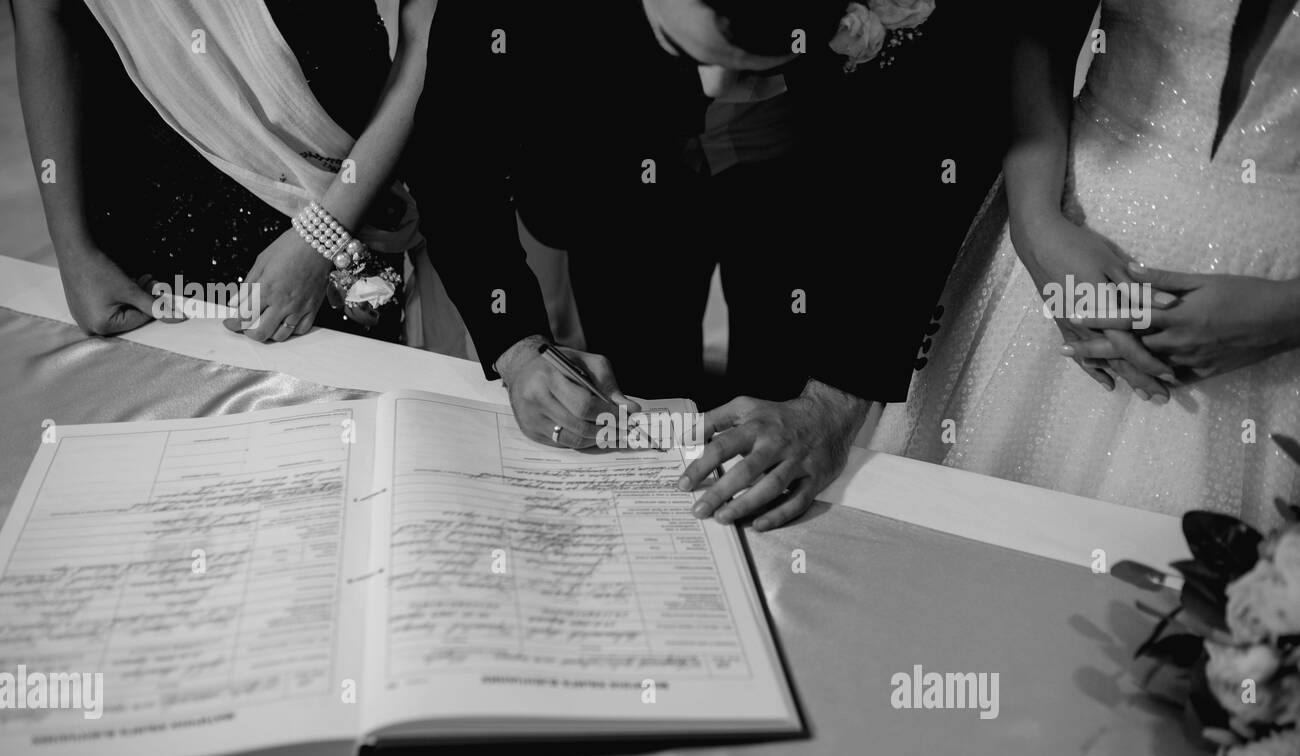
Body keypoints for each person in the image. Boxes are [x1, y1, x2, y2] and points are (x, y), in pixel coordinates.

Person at [411, 0, 1011, 529]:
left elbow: (938, 151)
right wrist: (517, 349)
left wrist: (834, 400)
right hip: (608, 167)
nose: (718, 83)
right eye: (690, 48)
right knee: (636, 345)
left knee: (787, 366)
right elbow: (454, 158)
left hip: (805, 165)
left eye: (757, 66)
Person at [874, 0, 1300, 529]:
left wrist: (1286, 315)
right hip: (1070, 231)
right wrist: (1035, 225)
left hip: (1275, 305)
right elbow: (1038, 27)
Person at [14, 0, 435, 345]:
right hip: (148, 176)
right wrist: (74, 252)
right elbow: (42, 15)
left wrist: (324, 231)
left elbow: (432, 28)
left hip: (334, 182)